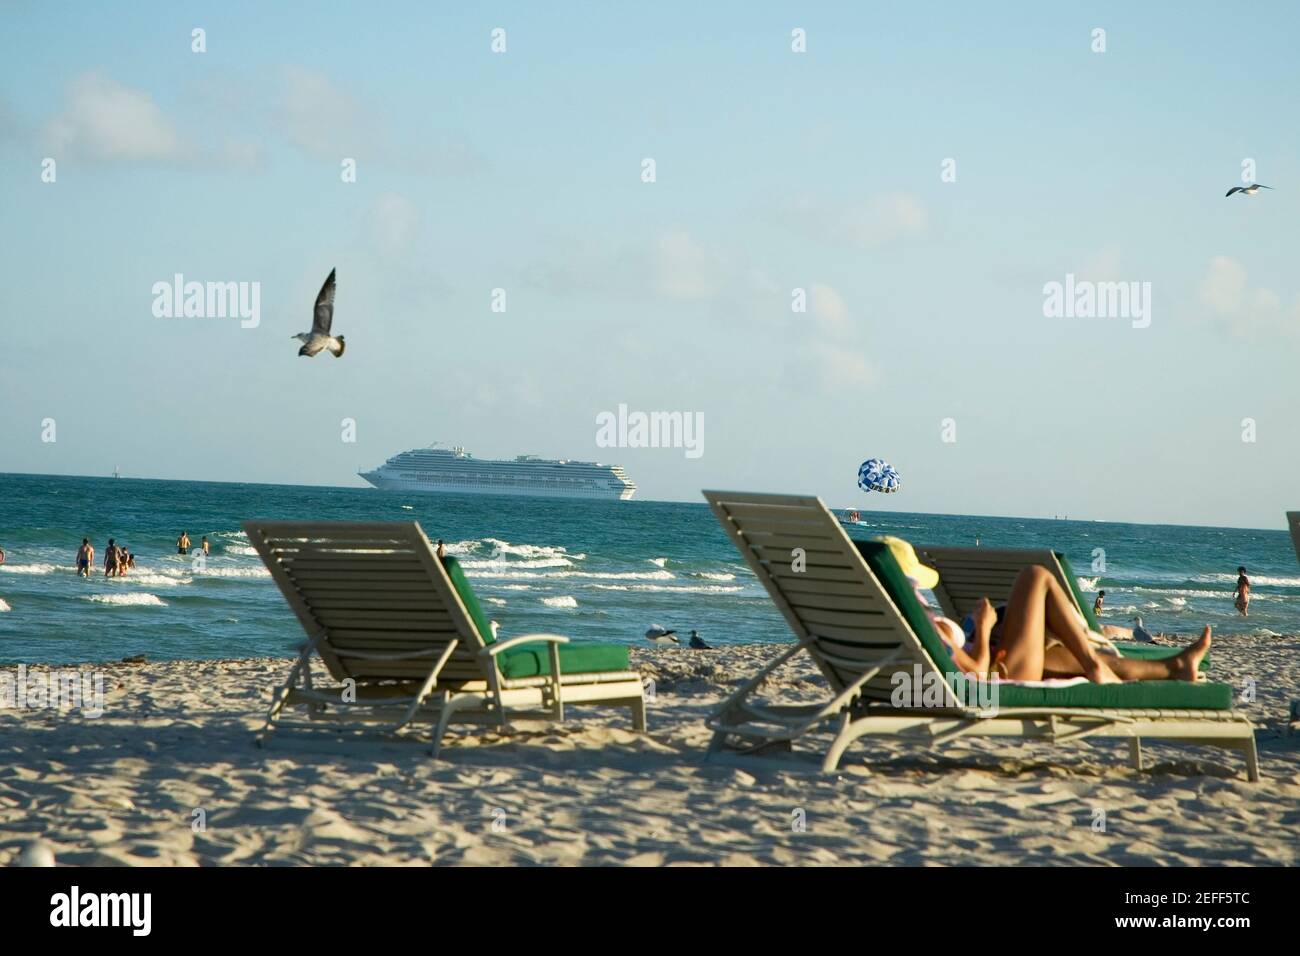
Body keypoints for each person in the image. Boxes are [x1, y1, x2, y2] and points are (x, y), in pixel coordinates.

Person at [885, 538, 1209, 685]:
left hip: (999, 663)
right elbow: (976, 674)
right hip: (1002, 673)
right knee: (1035, 577)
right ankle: (1092, 660)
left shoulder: (890, 619)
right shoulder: (921, 620)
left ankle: (1177, 666)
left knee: (1060, 654)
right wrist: (983, 629)